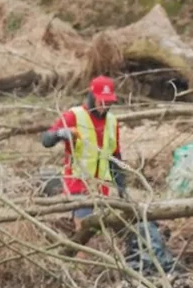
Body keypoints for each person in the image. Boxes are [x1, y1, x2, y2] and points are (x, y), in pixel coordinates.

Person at [42, 76, 170, 271]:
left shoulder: (112, 122)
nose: (104, 106)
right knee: (86, 231)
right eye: (101, 101)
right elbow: (46, 140)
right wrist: (61, 134)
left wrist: (122, 188)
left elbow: (115, 157)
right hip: (78, 184)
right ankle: (79, 272)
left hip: (102, 187)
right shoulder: (73, 116)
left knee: (119, 228)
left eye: (108, 102)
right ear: (92, 96)